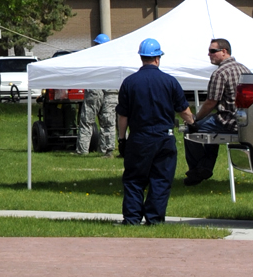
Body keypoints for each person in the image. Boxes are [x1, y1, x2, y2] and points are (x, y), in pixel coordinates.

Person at [116, 36, 194, 225]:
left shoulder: (129, 82)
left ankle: (132, 218)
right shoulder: (170, 82)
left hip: (139, 137)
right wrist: (192, 123)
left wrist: (122, 139)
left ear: (141, 57)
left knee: (134, 179)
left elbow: (123, 116)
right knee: (161, 179)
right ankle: (154, 219)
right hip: (163, 137)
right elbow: (183, 110)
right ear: (158, 58)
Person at [183, 36, 245, 186]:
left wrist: (195, 119)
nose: (209, 54)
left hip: (227, 121)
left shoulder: (220, 73)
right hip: (244, 122)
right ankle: (204, 167)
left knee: (188, 130)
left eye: (212, 51)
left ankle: (198, 171)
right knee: (210, 129)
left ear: (224, 51)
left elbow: (211, 102)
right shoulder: (244, 69)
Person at [76, 32, 119, 157]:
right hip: (111, 91)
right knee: (108, 122)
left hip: (95, 90)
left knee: (87, 121)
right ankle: (107, 150)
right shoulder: (114, 59)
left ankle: (82, 150)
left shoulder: (92, 57)